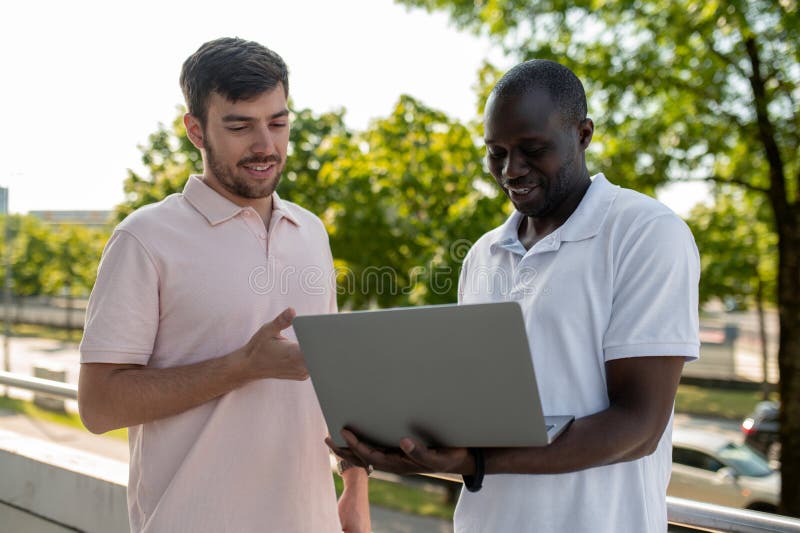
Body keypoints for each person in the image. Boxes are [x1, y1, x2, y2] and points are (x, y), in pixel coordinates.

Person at [329, 59, 700, 532]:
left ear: (583, 134)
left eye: (532, 149)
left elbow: (638, 428)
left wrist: (478, 461)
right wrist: (393, 437)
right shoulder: (483, 254)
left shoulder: (645, 233)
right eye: (496, 152)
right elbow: (473, 408)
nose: (511, 170)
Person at [78, 37, 370, 533]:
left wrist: (355, 490)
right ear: (195, 129)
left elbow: (328, 379)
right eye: (239, 126)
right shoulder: (144, 239)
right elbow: (98, 406)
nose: (265, 145)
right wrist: (242, 368)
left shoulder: (312, 232)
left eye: (278, 123)